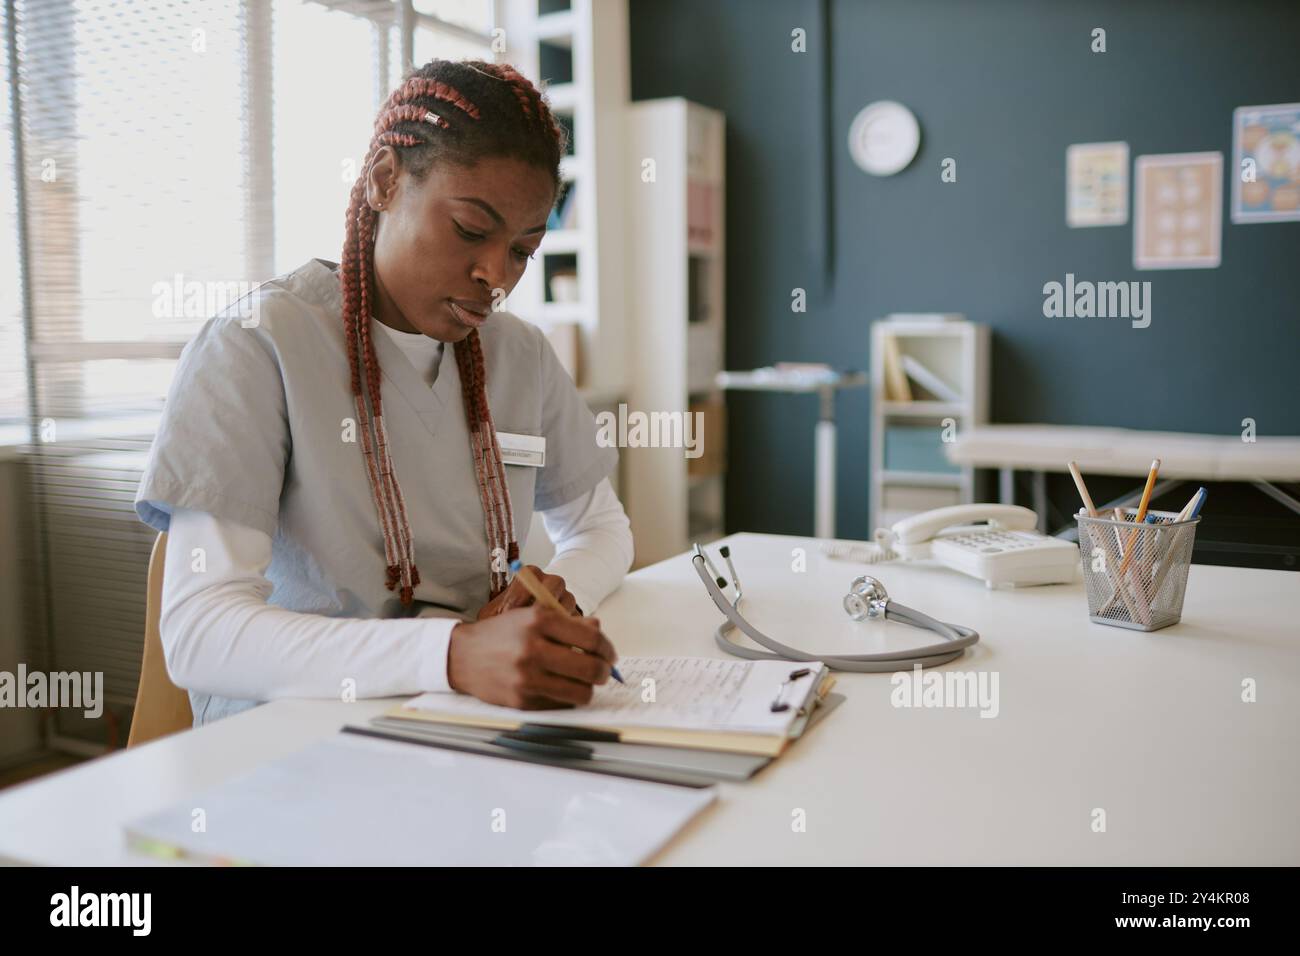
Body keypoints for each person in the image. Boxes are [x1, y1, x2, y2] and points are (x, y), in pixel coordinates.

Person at [134, 59, 632, 727]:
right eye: (469, 230)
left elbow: (601, 528)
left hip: (458, 727)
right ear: (384, 181)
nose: (495, 276)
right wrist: (451, 655)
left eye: (523, 250)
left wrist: (552, 593)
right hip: (289, 746)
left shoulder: (519, 355)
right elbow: (200, 633)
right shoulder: (258, 343)